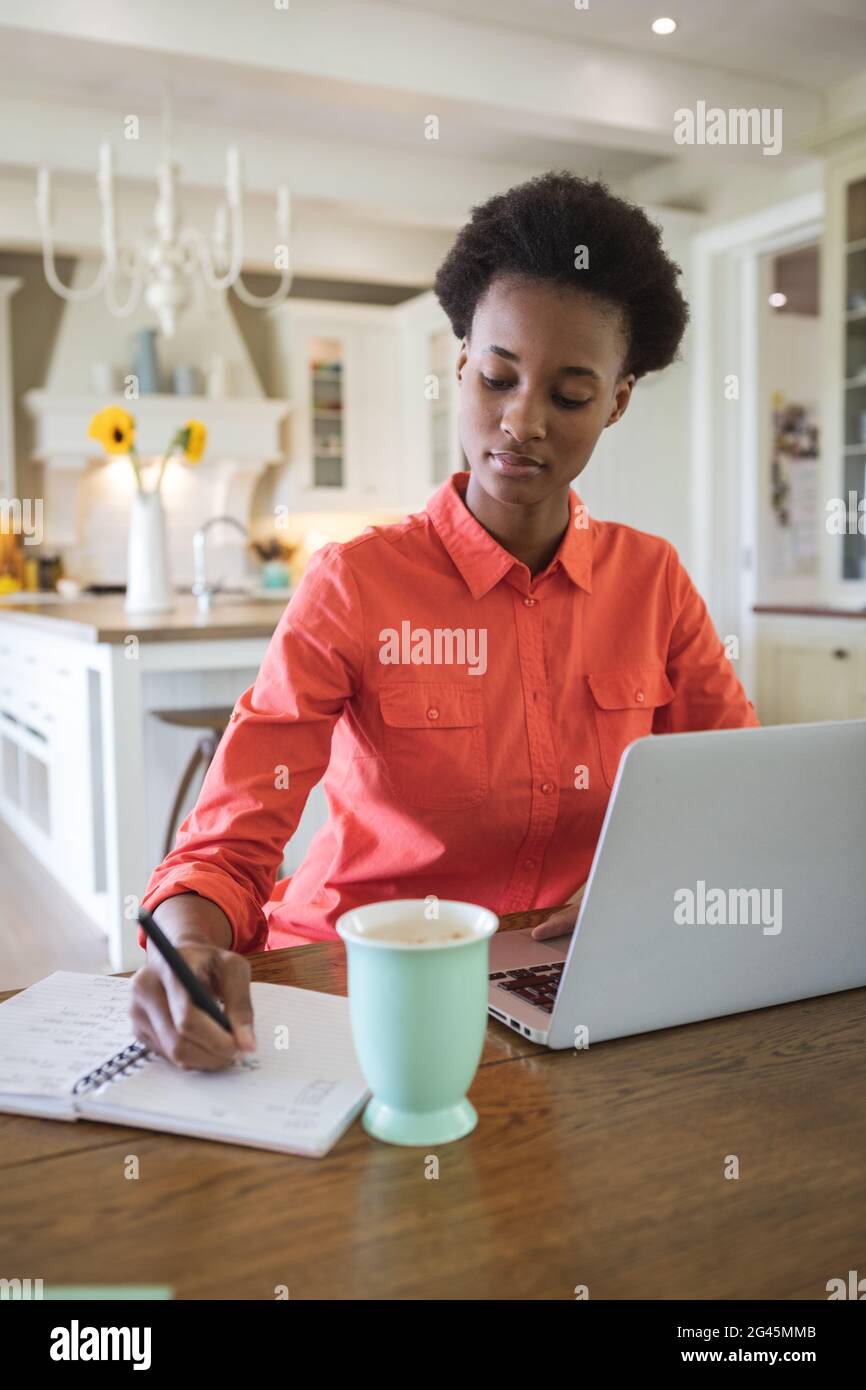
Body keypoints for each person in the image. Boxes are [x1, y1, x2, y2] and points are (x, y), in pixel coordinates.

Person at [130, 170, 759, 1071]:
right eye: (498, 376)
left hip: (568, 990)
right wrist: (189, 948)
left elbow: (738, 796)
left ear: (618, 401)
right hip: (354, 982)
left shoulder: (652, 580)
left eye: (570, 397)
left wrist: (665, 885)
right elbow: (226, 844)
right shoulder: (356, 582)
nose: (521, 422)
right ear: (460, 363)